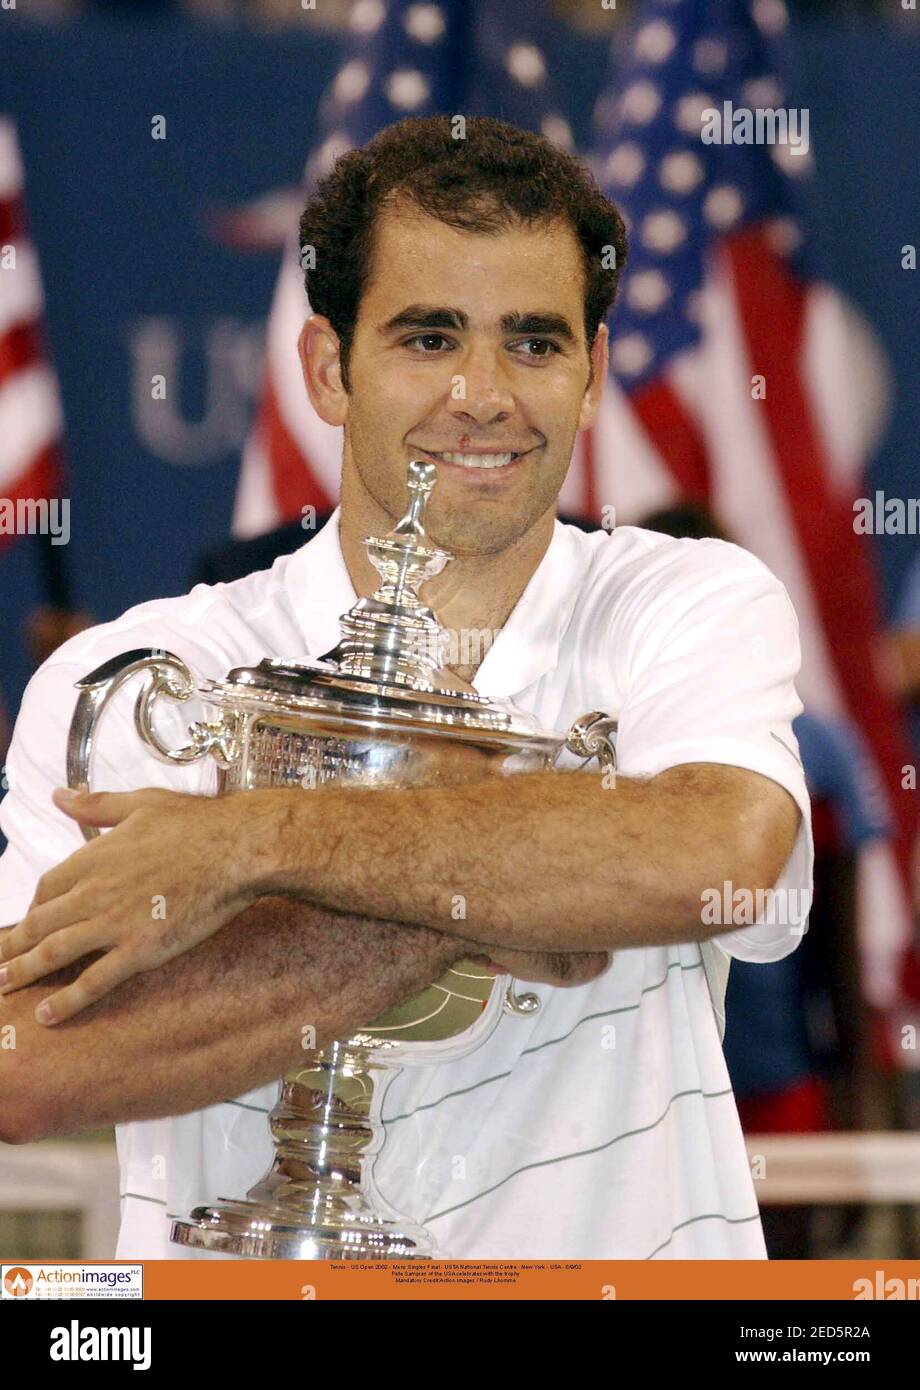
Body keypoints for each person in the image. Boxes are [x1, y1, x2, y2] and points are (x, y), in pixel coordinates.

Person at [0, 116, 811, 1261]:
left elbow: (710, 861)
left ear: (590, 375)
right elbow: (26, 1068)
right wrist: (528, 886)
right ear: (329, 371)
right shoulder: (135, 675)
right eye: (428, 338)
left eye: (534, 343)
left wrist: (247, 848)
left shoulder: (683, 600)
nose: (482, 394)